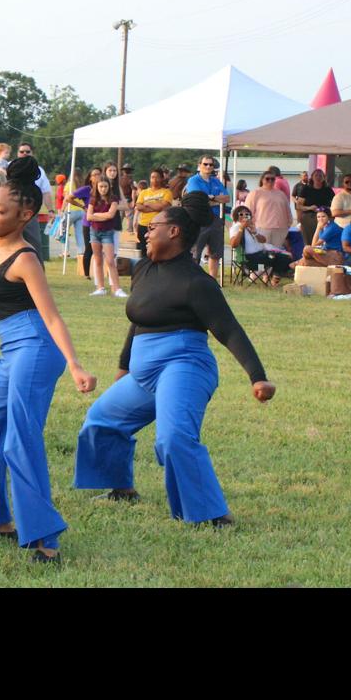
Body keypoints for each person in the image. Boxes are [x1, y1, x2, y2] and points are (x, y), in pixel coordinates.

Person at [74, 192, 274, 526]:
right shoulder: (145, 270)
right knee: (102, 420)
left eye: (154, 227)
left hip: (184, 366)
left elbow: (229, 330)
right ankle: (121, 489)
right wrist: (124, 367)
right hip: (144, 371)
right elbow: (138, 319)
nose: (147, 233)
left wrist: (258, 376)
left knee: (174, 439)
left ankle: (214, 515)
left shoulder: (198, 283)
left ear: (174, 233)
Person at [0, 159, 98, 561]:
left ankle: (44, 539)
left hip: (37, 350)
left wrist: (75, 364)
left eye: (1, 211)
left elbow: (51, 316)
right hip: (10, 349)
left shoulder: (25, 258)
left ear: (25, 216)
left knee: (20, 442)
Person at [182, 154, 230, 279]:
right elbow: (198, 200)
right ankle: (191, 280)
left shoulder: (216, 181)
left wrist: (211, 198)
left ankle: (212, 281)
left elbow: (227, 198)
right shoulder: (193, 180)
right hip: (199, 219)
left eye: (211, 164)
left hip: (214, 219)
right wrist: (215, 198)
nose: (208, 166)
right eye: (205, 164)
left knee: (215, 253)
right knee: (195, 252)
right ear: (199, 166)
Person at [229, 206, 293, 284]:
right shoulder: (236, 227)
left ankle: (272, 276)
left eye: (247, 214)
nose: (245, 216)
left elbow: (263, 240)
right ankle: (274, 279)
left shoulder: (250, 227)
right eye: (241, 214)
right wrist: (241, 229)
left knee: (283, 257)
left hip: (261, 255)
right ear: (236, 216)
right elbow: (233, 244)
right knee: (280, 258)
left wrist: (255, 232)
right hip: (250, 259)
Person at [84, 176, 125, 297]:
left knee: (110, 261)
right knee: (97, 260)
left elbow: (111, 215)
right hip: (94, 232)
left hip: (107, 232)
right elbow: (89, 217)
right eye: (101, 186)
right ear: (97, 187)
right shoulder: (93, 199)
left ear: (109, 187)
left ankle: (117, 289)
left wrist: (96, 214)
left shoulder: (113, 199)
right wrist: (101, 215)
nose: (103, 189)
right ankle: (100, 288)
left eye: (105, 186)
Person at [247, 168, 293, 253]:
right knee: (264, 253)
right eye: (267, 179)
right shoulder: (255, 193)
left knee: (276, 253)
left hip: (280, 229)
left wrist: (289, 223)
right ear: (262, 180)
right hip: (262, 228)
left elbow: (287, 209)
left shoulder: (281, 194)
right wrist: (251, 226)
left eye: (273, 179)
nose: (270, 181)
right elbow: (248, 210)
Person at [135, 167, 173, 254]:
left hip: (159, 226)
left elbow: (164, 207)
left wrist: (147, 204)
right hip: (143, 225)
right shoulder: (144, 192)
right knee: (144, 251)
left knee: (157, 250)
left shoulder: (166, 192)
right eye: (152, 177)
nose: (154, 179)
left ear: (162, 178)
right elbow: (139, 206)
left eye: (157, 177)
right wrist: (156, 205)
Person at [293, 167, 333, 243]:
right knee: (309, 241)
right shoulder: (306, 189)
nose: (318, 177)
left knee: (322, 241)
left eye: (320, 176)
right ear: (312, 177)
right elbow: (298, 206)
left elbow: (334, 203)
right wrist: (309, 208)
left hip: (324, 218)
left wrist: (327, 208)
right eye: (316, 175)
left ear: (324, 178)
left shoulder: (328, 190)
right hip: (309, 217)